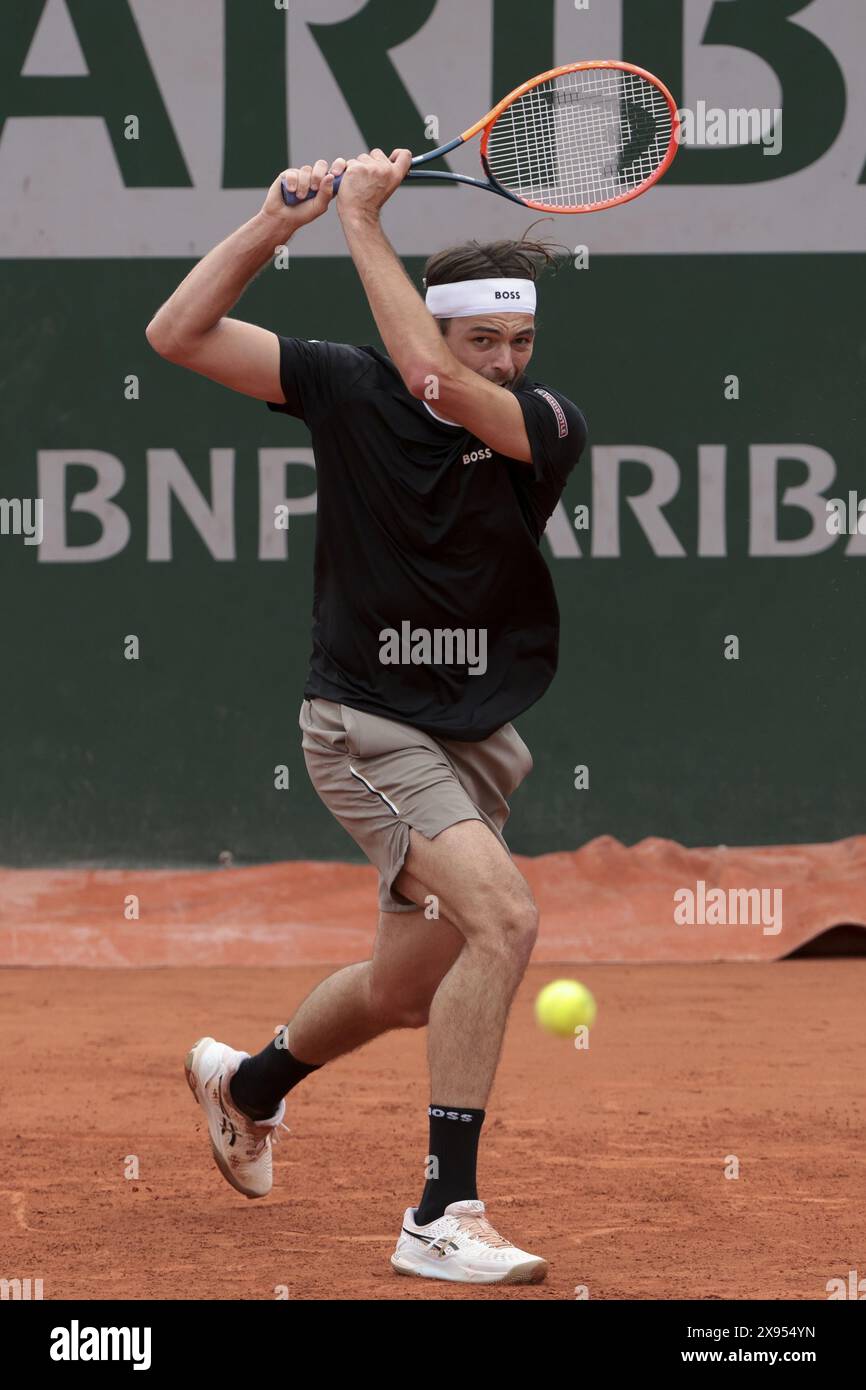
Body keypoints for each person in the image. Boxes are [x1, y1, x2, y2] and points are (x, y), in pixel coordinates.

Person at [147, 148, 587, 1285]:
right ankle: (441, 1211)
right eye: (478, 338)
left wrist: (358, 219)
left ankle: (244, 1086)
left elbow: (434, 388)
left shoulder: (541, 423)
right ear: (435, 327)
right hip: (362, 721)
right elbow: (177, 335)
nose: (503, 358)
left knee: (402, 989)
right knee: (502, 920)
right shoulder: (346, 386)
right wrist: (269, 224)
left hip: (475, 735)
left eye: (516, 340)